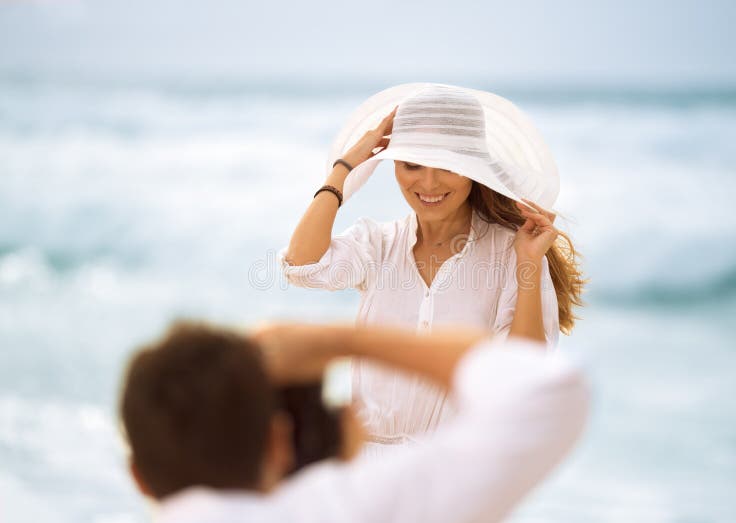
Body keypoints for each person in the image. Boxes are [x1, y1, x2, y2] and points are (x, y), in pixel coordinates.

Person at [281, 83, 586, 454]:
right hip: (365, 470)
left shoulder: (515, 251)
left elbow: (523, 369)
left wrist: (528, 264)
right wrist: (343, 169)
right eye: (411, 164)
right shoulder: (378, 244)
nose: (428, 183)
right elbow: (302, 265)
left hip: (455, 468)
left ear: (473, 167)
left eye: (447, 166)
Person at [120, 321, 589, 523]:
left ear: (137, 477)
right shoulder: (335, 511)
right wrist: (341, 340)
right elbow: (547, 388)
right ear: (278, 442)